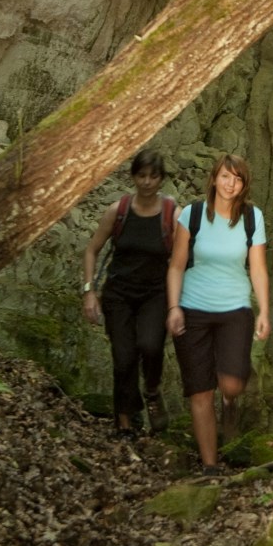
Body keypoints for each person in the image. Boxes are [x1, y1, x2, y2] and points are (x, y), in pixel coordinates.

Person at [167, 153, 271, 477]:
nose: (231, 184)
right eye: (225, 176)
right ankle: (211, 466)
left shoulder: (252, 217)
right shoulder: (192, 215)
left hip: (234, 308)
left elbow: (257, 268)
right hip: (193, 308)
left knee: (230, 383)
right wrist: (173, 307)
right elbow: (176, 265)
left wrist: (264, 309)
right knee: (199, 391)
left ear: (244, 184)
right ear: (214, 178)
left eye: (238, 179)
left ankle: (230, 401)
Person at [80, 150, 175, 435]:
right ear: (133, 177)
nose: (147, 182)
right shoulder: (118, 211)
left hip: (155, 294)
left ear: (161, 179)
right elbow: (91, 250)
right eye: (142, 175)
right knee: (124, 357)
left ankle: (152, 390)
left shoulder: (172, 215)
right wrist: (89, 291)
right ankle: (124, 418)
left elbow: (184, 257)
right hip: (118, 294)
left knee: (150, 345)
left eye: (153, 176)